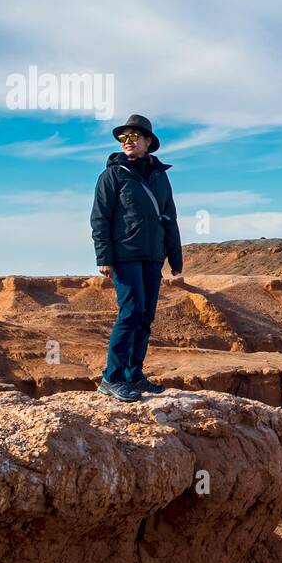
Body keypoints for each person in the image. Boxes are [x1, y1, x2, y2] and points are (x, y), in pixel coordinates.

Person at [89, 114, 183, 402]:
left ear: (147, 142)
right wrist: (103, 257)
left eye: (133, 137)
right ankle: (112, 378)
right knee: (129, 313)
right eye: (123, 138)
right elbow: (100, 218)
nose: (127, 142)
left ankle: (134, 375)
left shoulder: (159, 176)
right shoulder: (112, 175)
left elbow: (169, 217)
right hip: (124, 256)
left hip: (153, 256)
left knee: (145, 316)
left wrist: (175, 259)